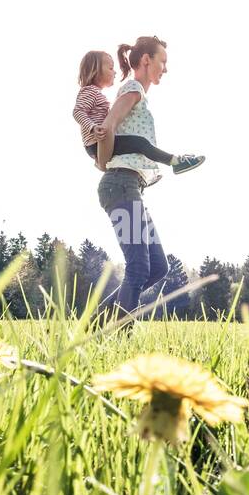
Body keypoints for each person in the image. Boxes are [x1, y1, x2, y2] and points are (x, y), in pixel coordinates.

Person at [96, 35, 180, 315]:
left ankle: (95, 327)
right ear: (146, 60)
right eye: (162, 61)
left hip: (131, 187)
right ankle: (117, 335)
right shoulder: (133, 88)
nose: (165, 69)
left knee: (157, 267)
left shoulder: (137, 94)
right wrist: (102, 162)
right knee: (139, 266)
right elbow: (108, 127)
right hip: (120, 185)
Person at [71, 49, 203, 174]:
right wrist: (93, 128)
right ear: (95, 70)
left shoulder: (97, 94)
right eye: (110, 68)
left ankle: (146, 174)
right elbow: (78, 112)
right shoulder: (89, 91)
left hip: (97, 144)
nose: (115, 72)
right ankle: (175, 161)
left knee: (136, 147)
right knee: (140, 143)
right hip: (95, 144)